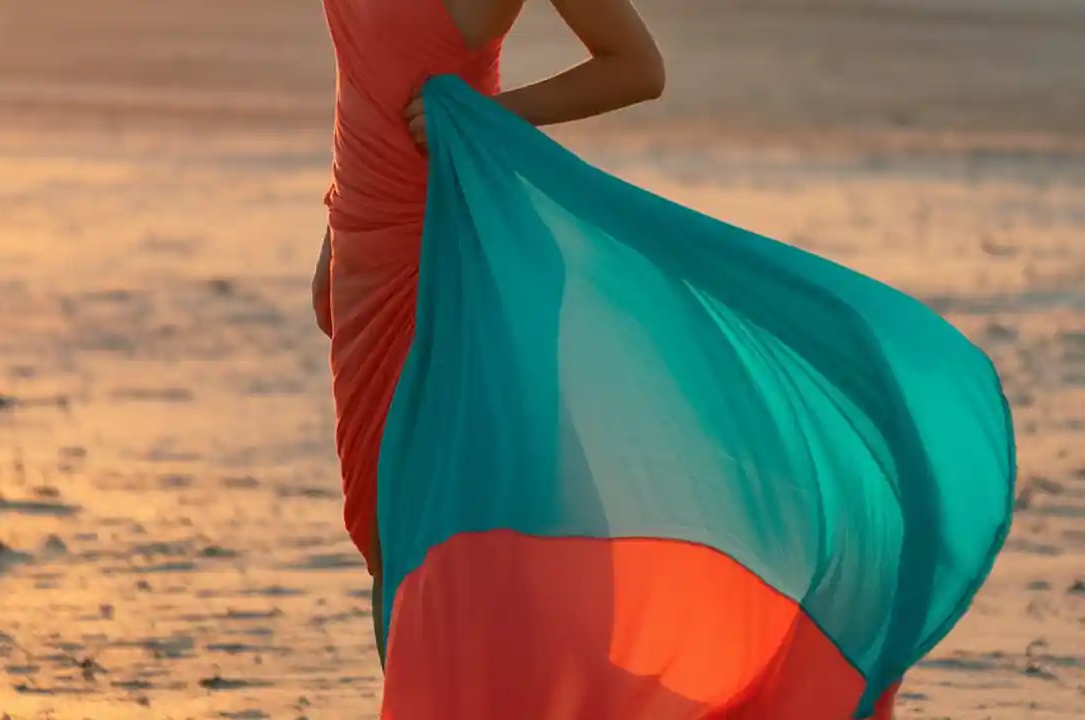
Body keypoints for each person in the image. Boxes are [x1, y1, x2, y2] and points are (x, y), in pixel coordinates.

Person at [311, 1, 903, 717]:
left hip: (451, 249)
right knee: (386, 537)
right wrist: (335, 225)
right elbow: (365, 81)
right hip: (367, 240)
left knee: (431, 545)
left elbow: (636, 66)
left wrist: (489, 115)